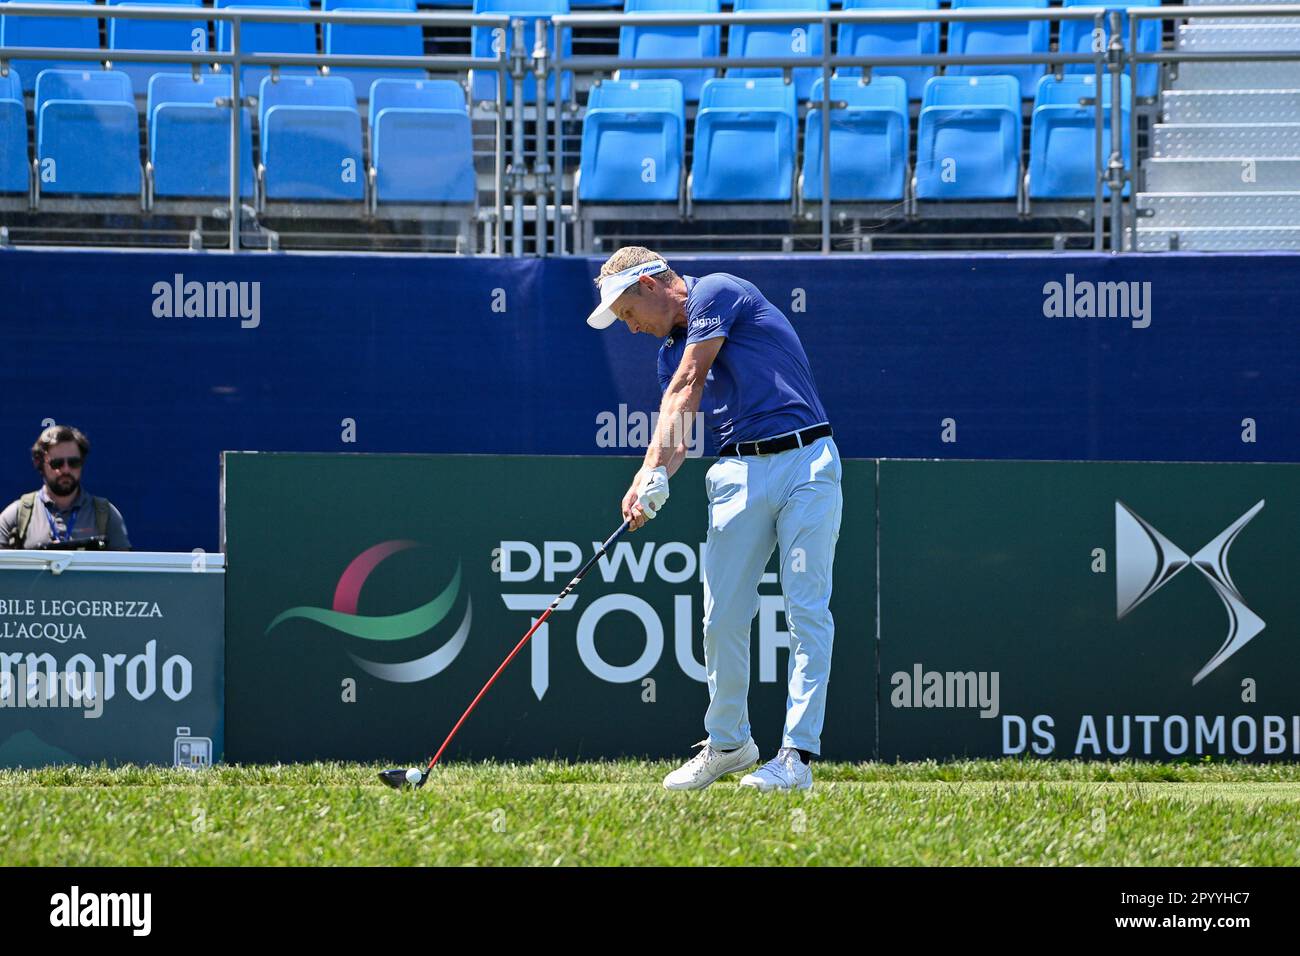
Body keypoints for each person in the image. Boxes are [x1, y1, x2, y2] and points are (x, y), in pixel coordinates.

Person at [586, 247, 842, 792]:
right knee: (721, 615)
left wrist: (647, 470)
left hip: (805, 461)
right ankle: (729, 743)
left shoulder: (718, 291)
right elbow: (680, 423)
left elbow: (690, 382)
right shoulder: (668, 354)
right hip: (736, 473)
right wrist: (654, 481)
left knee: (805, 608)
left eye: (629, 313)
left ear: (652, 284)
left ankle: (795, 757)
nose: (630, 329)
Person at [0, 425, 131, 550]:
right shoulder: (16, 515)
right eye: (57, 463)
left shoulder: (106, 514)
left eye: (74, 462)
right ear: (39, 464)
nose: (66, 469)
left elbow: (123, 570)